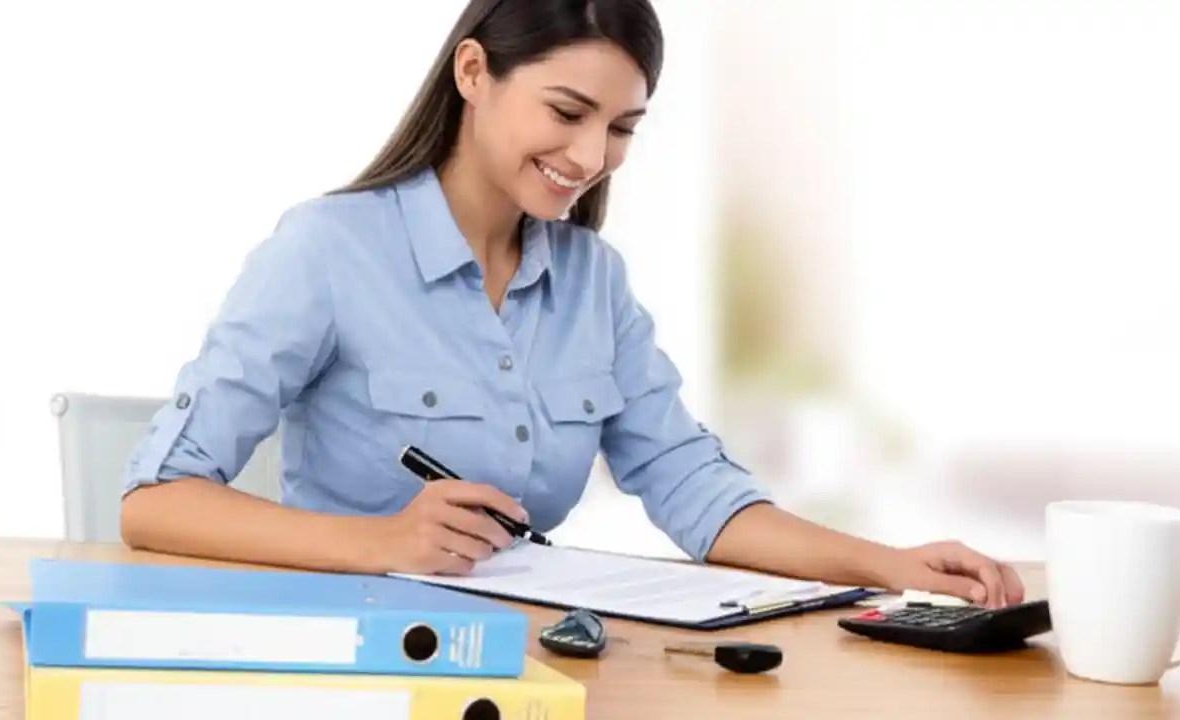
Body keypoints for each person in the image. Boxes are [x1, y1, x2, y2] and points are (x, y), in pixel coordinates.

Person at [120, 0, 1024, 608]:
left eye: (622, 128)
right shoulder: (327, 249)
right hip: (363, 652)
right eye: (568, 111)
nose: (593, 156)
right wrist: (379, 542)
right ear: (472, 73)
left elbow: (694, 489)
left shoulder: (593, 280)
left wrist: (888, 565)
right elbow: (155, 503)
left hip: (533, 651)